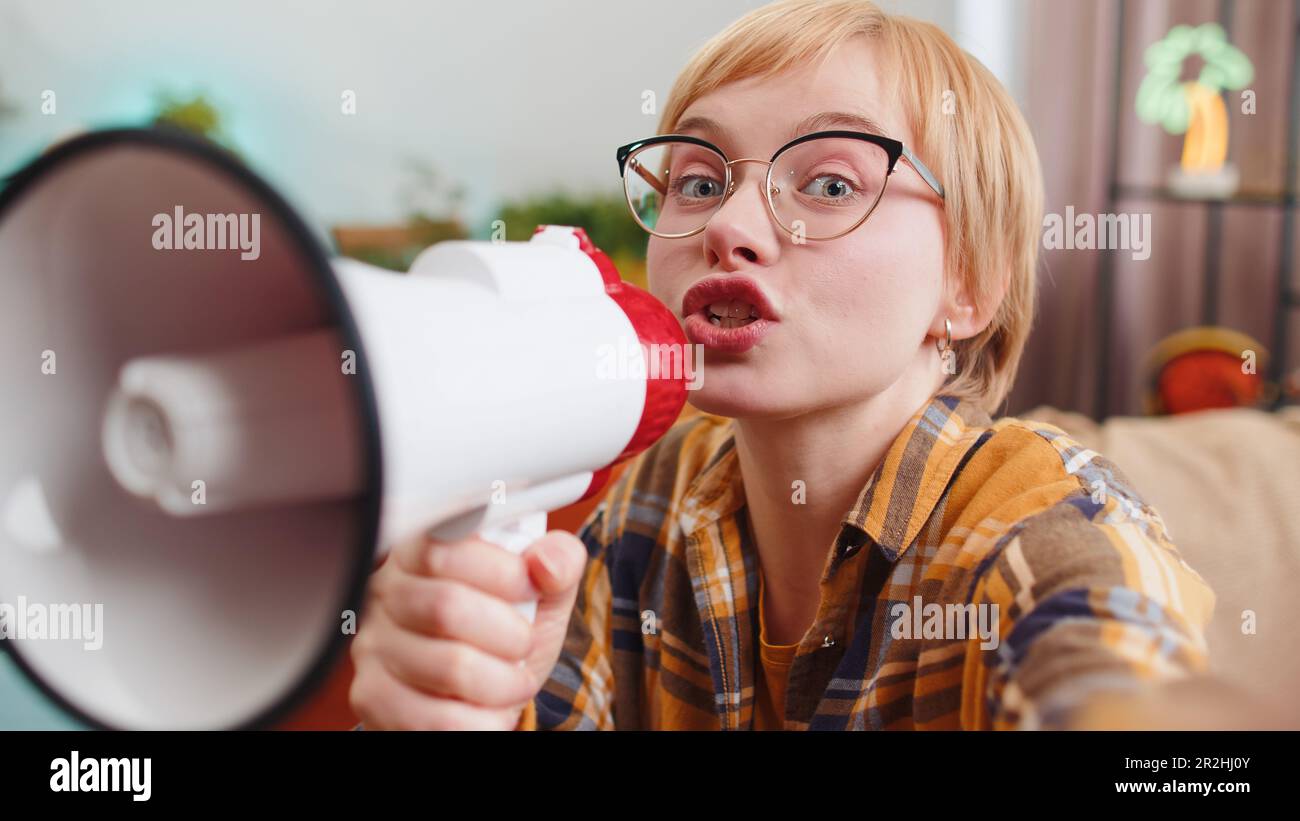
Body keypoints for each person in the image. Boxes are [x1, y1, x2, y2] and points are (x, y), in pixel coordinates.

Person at [348, 0, 1215, 731]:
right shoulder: (653, 494)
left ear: (968, 286)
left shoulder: (1049, 533)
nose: (729, 224)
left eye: (829, 184)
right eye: (696, 178)